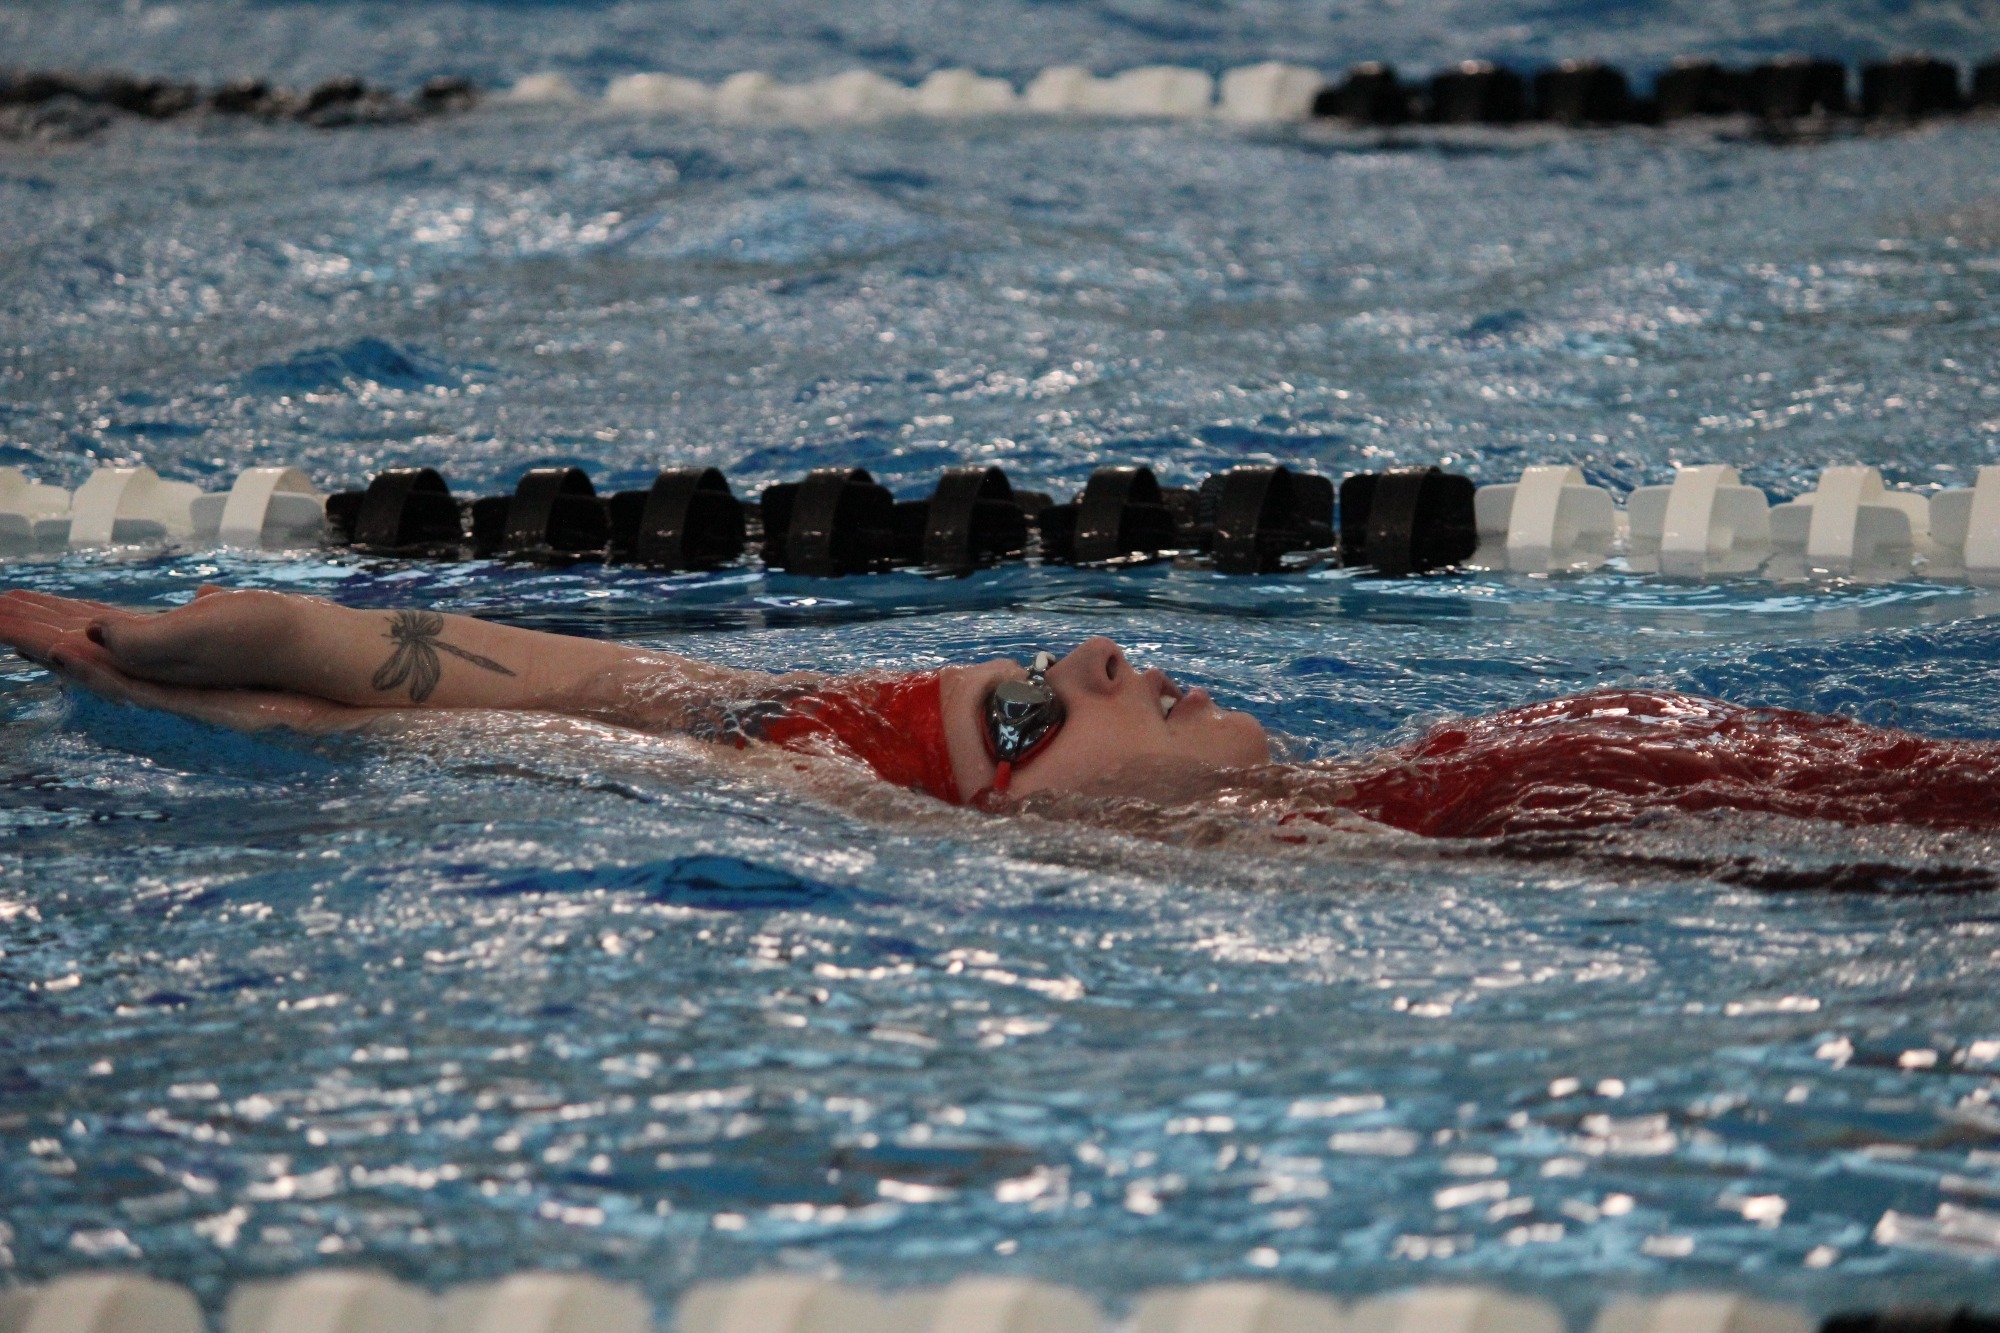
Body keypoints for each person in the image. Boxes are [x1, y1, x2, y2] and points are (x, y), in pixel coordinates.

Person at [2, 586, 1997, 837]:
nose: (1110, 654)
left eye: (1035, 672)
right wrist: (311, 703)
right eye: (1036, 724)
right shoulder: (1436, 836)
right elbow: (646, 748)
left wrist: (268, 633)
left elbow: (664, 707)